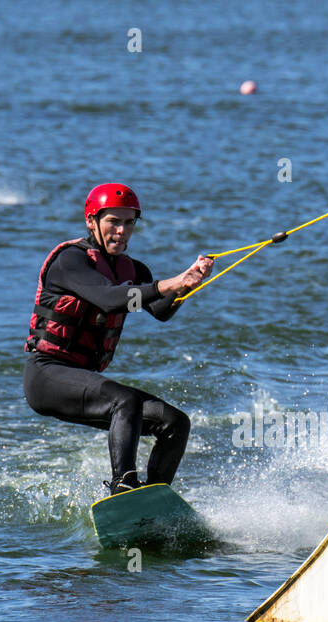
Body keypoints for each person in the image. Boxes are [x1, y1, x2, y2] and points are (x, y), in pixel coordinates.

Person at [23, 183, 214, 496]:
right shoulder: (70, 261)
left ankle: (152, 500)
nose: (122, 231)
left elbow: (161, 310)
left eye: (129, 223)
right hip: (47, 375)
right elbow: (110, 299)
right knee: (124, 400)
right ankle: (123, 489)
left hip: (82, 379)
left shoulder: (133, 269)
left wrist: (189, 282)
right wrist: (170, 283)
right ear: (91, 221)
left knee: (175, 423)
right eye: (114, 221)